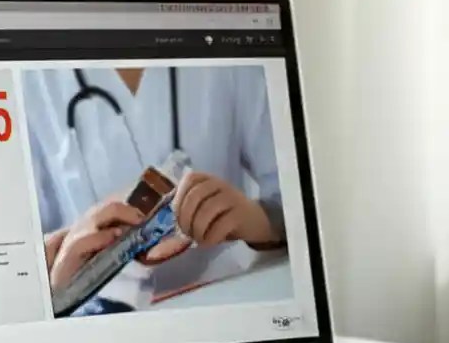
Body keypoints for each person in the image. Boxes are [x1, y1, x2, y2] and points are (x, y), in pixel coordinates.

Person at [23, 64, 285, 314]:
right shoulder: (30, 82)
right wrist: (50, 278)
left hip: (227, 302)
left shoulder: (225, 55)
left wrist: (263, 221)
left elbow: (306, 202)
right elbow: (17, 263)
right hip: (100, 326)